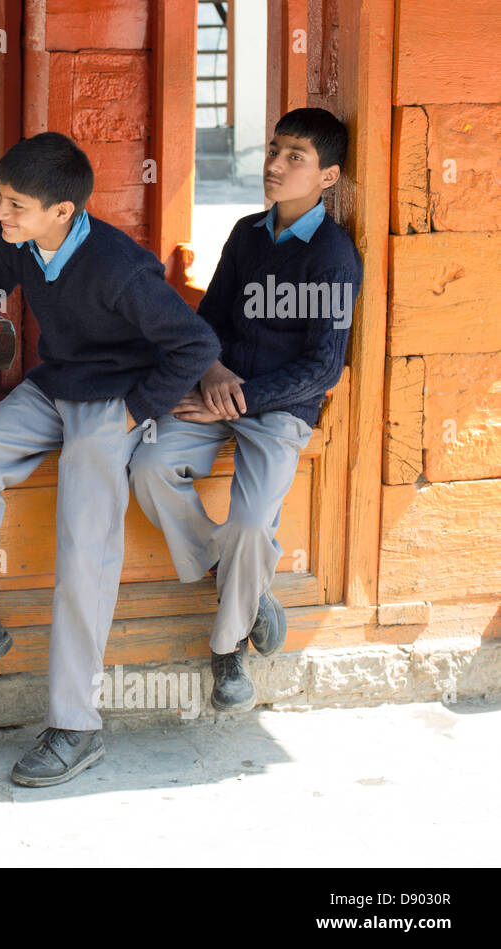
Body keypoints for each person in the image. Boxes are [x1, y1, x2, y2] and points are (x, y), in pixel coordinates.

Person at [0, 132, 220, 788]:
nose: (2, 214)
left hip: (115, 401)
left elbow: (195, 344)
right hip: (55, 385)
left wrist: (137, 410)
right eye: (1, 198)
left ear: (63, 212)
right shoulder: (15, 243)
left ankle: (75, 725)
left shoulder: (120, 267)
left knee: (84, 547)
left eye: (15, 204)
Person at [128, 107, 362, 713]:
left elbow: (324, 367)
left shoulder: (333, 256)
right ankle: (243, 584)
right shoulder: (245, 234)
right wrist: (211, 373)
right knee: (149, 465)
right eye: (275, 150)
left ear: (327, 178)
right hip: (219, 391)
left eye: (296, 158)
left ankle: (228, 648)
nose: (275, 165)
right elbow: (208, 323)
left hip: (280, 407)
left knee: (255, 522)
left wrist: (241, 397)